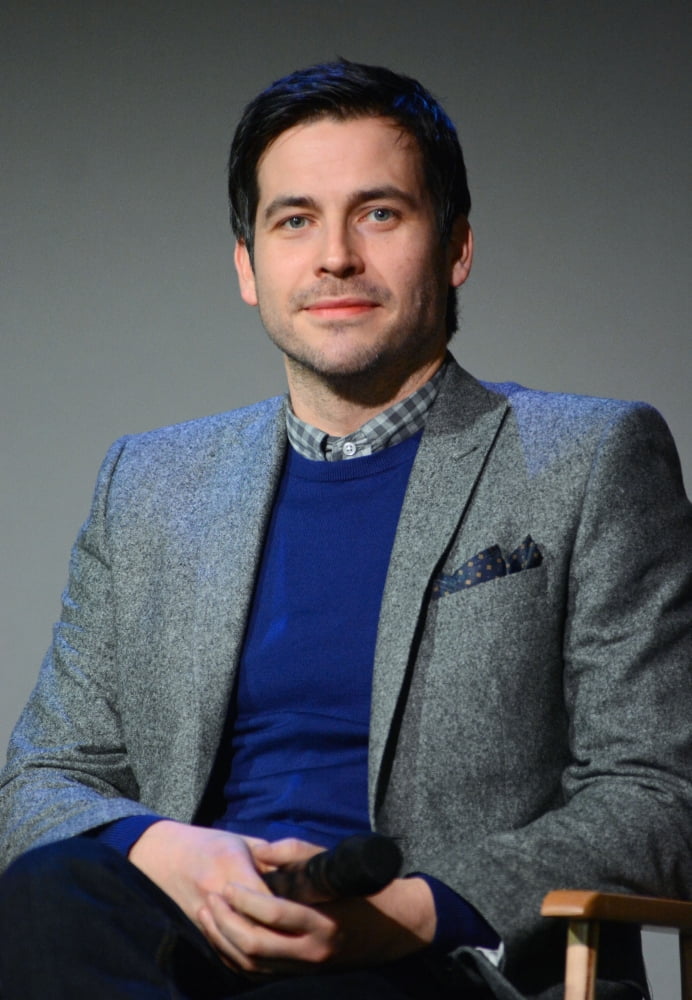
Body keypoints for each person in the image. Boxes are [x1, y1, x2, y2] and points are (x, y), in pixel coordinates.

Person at [0, 59, 690, 1000]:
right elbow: (41, 779)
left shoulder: (590, 456)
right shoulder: (150, 483)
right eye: (294, 220)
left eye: (378, 213)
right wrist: (174, 854)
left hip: (436, 962)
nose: (334, 257)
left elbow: (657, 793)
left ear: (456, 248)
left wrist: (413, 910)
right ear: (249, 267)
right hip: (187, 944)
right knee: (40, 897)